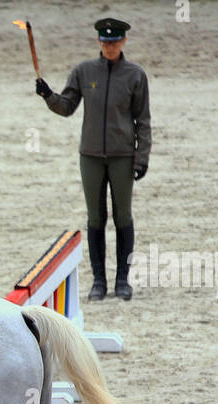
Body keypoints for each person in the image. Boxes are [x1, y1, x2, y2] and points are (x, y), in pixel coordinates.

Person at [35, 17, 151, 300]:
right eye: (105, 41)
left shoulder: (136, 75)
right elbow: (67, 107)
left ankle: (122, 280)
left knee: (123, 216)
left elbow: (143, 120)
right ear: (99, 42)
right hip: (90, 157)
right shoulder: (84, 72)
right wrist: (49, 95)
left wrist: (142, 157)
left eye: (114, 42)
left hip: (123, 156)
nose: (109, 46)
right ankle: (99, 281)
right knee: (95, 218)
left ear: (123, 42)